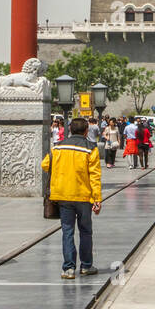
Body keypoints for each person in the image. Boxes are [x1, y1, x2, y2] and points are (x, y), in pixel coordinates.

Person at [41, 116, 102, 279]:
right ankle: (86, 266)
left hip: (62, 195)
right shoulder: (91, 148)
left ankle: (68, 268)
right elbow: (94, 176)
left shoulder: (58, 147)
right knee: (85, 231)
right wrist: (97, 199)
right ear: (86, 131)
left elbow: (45, 165)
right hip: (83, 196)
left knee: (67, 231)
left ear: (69, 129)